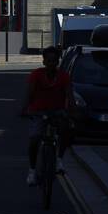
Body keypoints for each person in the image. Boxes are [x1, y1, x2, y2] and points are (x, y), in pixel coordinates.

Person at [20, 45, 70, 184]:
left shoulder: (63, 76)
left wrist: (70, 111)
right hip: (39, 111)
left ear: (58, 62)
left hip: (57, 111)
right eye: (49, 61)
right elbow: (29, 94)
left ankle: (59, 160)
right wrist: (25, 109)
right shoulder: (36, 75)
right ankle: (32, 171)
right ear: (44, 62)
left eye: (54, 61)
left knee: (65, 129)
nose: (51, 64)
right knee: (34, 139)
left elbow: (69, 95)